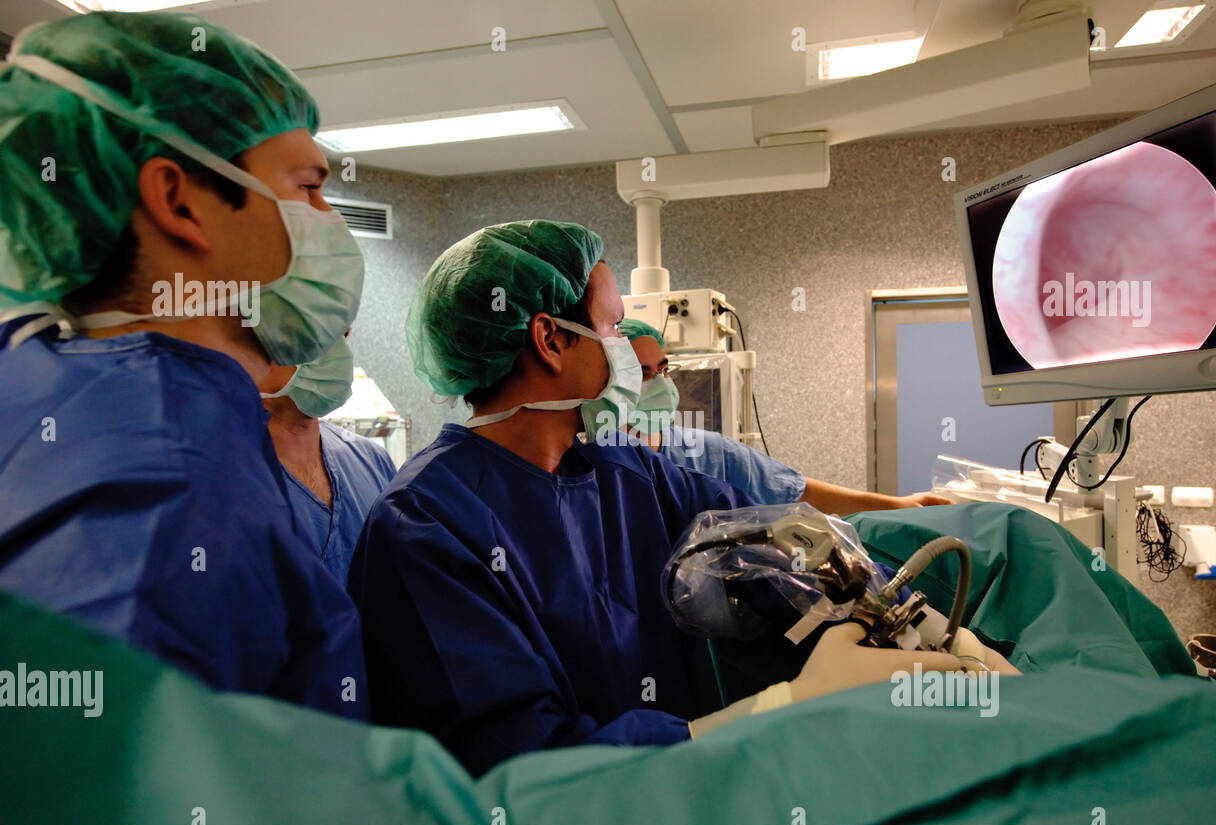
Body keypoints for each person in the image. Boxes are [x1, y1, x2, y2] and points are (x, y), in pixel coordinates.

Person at [350, 220, 990, 775]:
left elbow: (774, 542)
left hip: (686, 793)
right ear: (549, 339)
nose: (628, 352)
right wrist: (776, 711)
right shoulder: (424, 526)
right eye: (609, 326)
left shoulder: (630, 473)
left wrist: (919, 624)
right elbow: (516, 760)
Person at [0, 12, 369, 719]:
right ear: (179, 200)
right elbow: (130, 805)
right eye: (310, 187)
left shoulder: (64, 401)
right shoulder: (163, 484)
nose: (332, 223)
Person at [619, 318, 952, 512]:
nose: (660, 383)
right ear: (615, 380)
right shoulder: (595, 459)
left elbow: (798, 493)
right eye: (643, 373)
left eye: (663, 370)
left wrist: (900, 505)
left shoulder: (711, 453)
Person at [259, 335, 396, 587]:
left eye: (342, 333)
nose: (336, 350)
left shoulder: (372, 461)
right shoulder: (219, 480)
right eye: (314, 335)